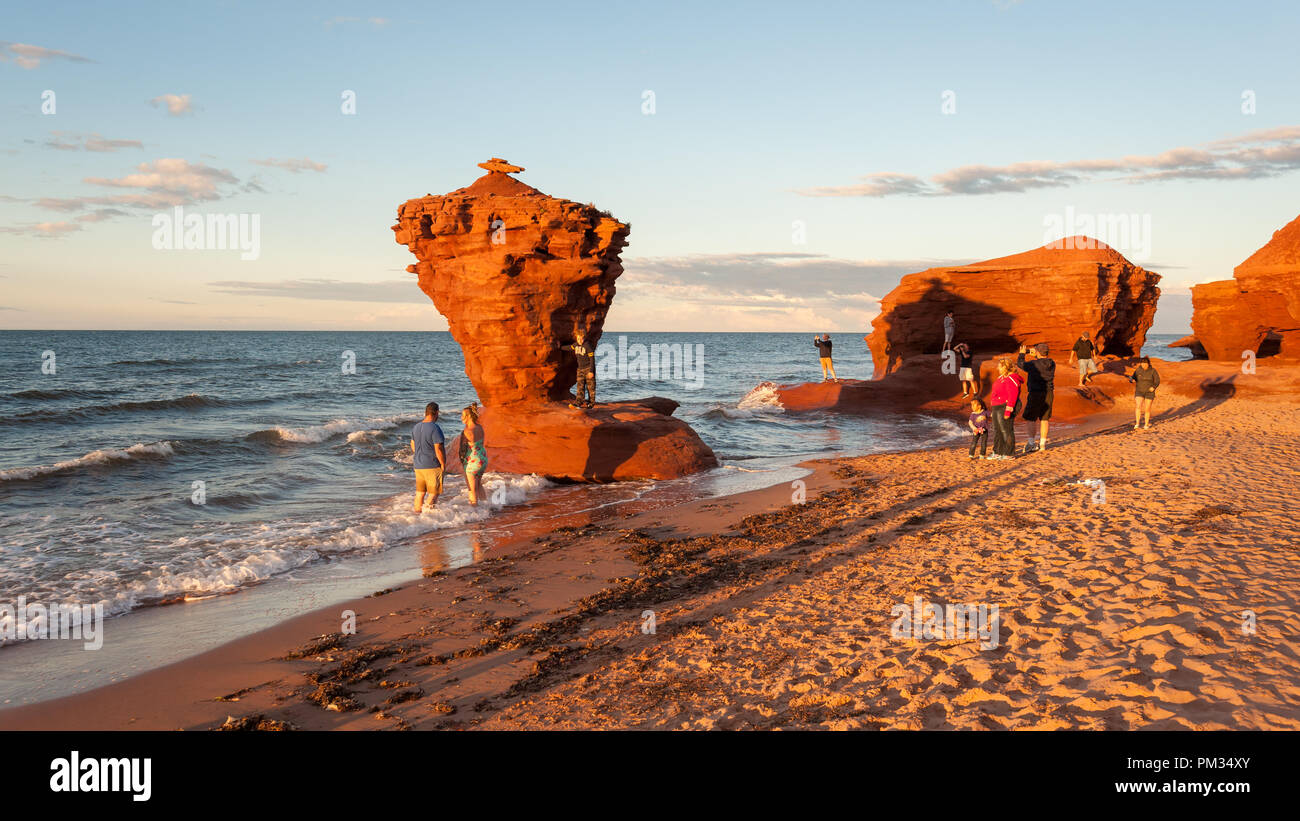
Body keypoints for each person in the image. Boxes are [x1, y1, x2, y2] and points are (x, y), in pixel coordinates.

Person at [1016, 343, 1056, 453]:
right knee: (1044, 418)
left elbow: (1020, 364)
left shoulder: (1033, 364)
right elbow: (1041, 363)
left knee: (1031, 418)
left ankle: (1031, 443)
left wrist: (1022, 354)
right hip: (1048, 392)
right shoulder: (1052, 363)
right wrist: (1035, 355)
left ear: (1038, 352)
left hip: (1035, 393)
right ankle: (1042, 444)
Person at [410, 402, 446, 513]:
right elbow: (438, 449)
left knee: (420, 493)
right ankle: (427, 517)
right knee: (434, 493)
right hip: (432, 465)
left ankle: (417, 517)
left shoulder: (416, 427)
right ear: (436, 412)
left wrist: (420, 455)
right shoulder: (435, 428)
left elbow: (412, 444)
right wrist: (443, 464)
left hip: (418, 464)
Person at [988, 359, 1023, 460]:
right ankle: (998, 452)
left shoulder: (1012, 378)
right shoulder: (1001, 377)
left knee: (1006, 430)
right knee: (997, 430)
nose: (997, 368)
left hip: (1005, 405)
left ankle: (1009, 453)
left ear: (1005, 367)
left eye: (999, 366)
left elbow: (1013, 395)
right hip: (996, 406)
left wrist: (1008, 410)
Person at [459, 404, 488, 505]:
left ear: (468, 417)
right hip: (483, 459)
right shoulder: (480, 427)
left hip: (472, 462)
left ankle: (474, 511)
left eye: (463, 415)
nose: (461, 417)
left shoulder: (466, 432)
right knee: (479, 485)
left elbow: (462, 451)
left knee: (472, 489)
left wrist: (462, 463)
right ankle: (486, 506)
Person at [566, 329, 597, 409]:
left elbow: (592, 359)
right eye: (578, 338)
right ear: (576, 338)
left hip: (588, 369)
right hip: (580, 369)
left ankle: (591, 404)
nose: (580, 340)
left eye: (581, 338)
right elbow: (569, 347)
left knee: (591, 387)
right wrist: (559, 347)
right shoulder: (575, 345)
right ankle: (578, 403)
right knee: (580, 387)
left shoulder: (588, 346)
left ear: (584, 338)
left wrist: (591, 371)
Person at [1128, 356, 1160, 430]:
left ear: (1148, 364)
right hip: (1139, 391)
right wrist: (1131, 380)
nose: (1143, 365)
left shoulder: (1153, 371)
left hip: (1149, 392)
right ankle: (1137, 423)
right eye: (1142, 364)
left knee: (1147, 409)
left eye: (1145, 364)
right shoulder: (1138, 370)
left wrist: (1154, 387)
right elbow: (1133, 378)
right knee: (1138, 406)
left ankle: (1146, 424)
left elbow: (1157, 381)